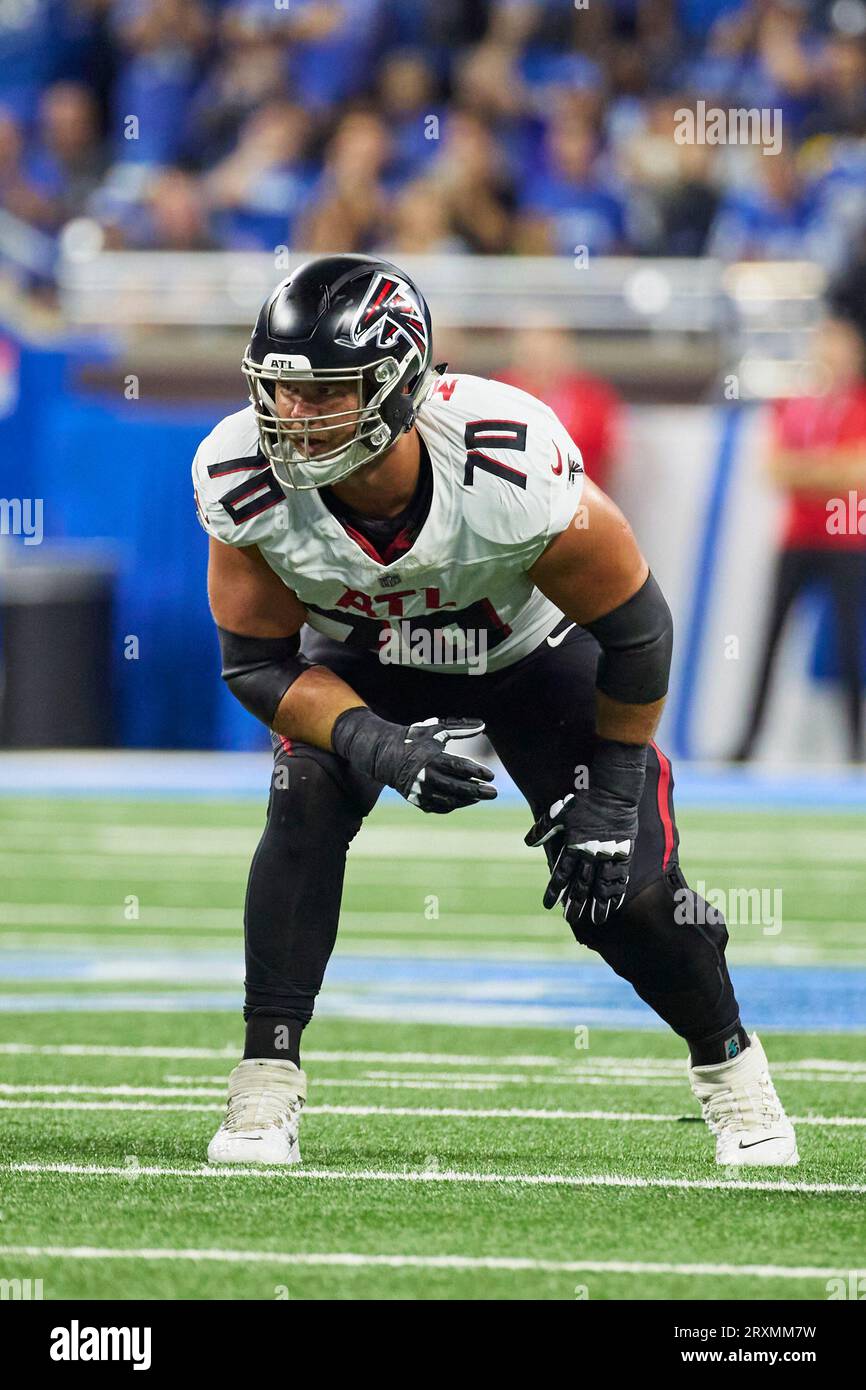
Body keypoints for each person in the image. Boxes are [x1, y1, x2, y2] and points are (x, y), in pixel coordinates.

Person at [192, 253, 798, 1169]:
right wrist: (373, 742)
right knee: (306, 793)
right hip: (366, 659)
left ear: (398, 384)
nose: (294, 419)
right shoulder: (245, 473)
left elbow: (638, 629)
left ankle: (732, 1069)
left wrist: (609, 792)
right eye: (282, 393)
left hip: (530, 655)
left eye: (328, 393)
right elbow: (256, 662)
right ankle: (264, 1088)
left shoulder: (502, 456)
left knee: (617, 889)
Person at [734, 314, 866, 762]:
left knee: (850, 642)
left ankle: (854, 746)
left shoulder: (857, 404)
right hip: (799, 537)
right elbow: (773, 469)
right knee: (771, 636)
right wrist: (828, 471)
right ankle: (748, 741)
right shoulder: (792, 405)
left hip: (847, 538)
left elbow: (857, 473)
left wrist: (805, 470)